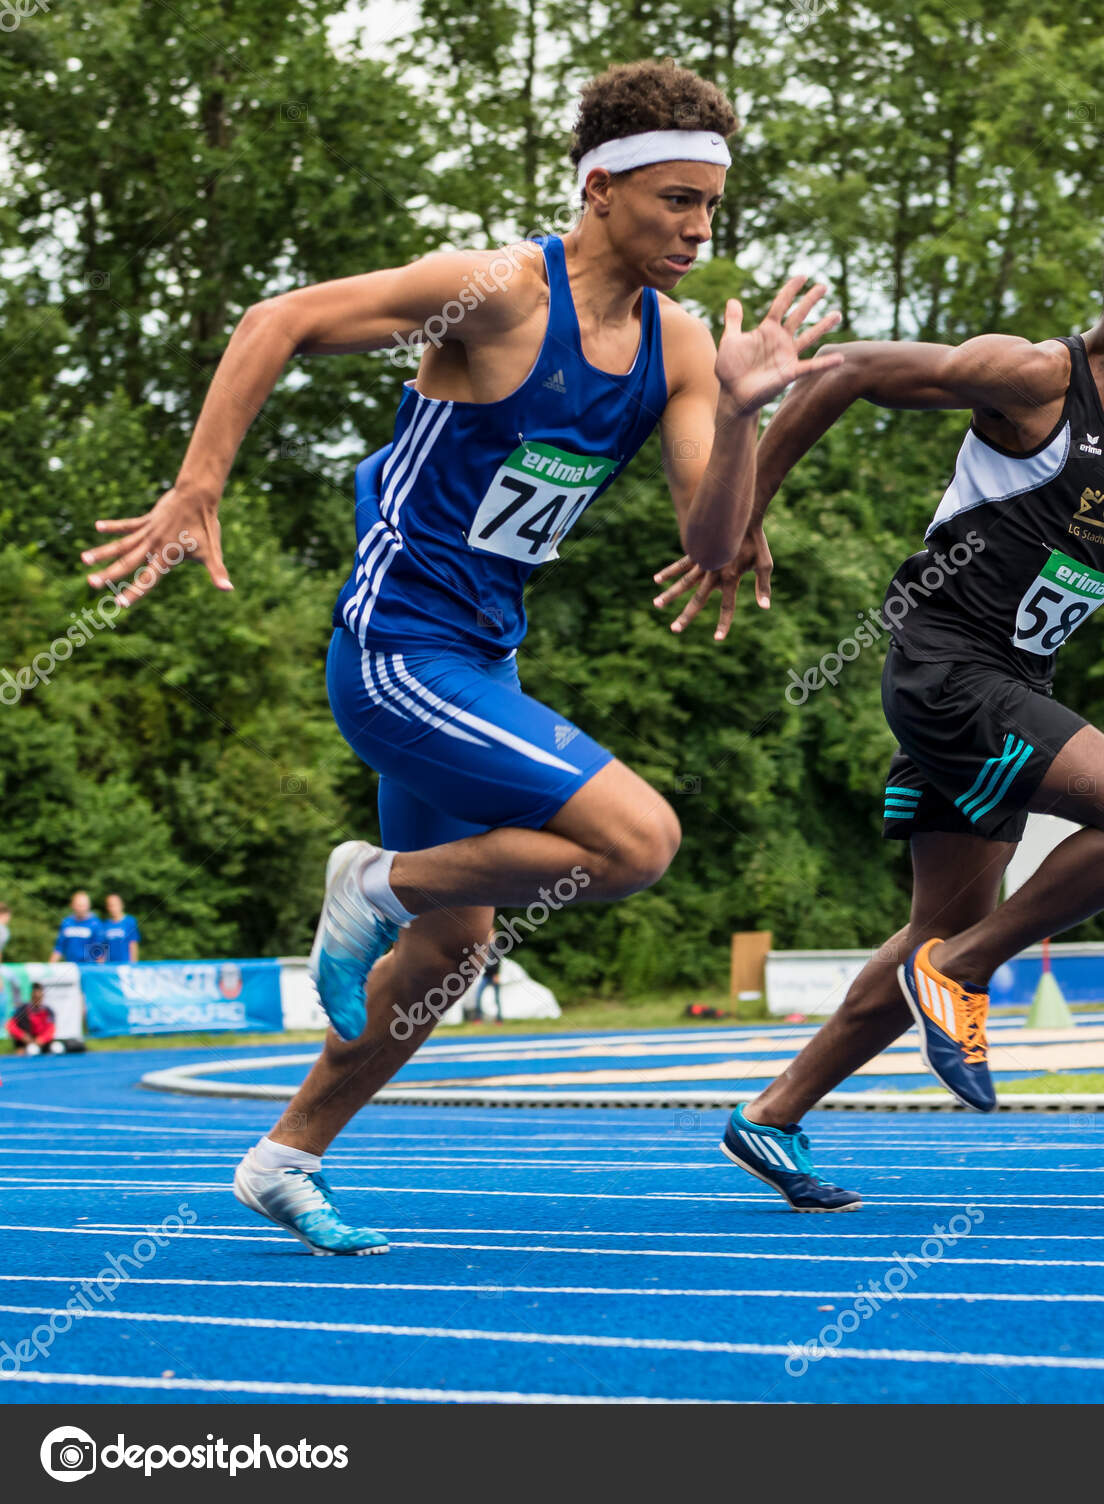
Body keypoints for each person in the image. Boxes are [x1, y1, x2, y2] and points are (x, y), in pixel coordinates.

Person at [79, 60, 839, 1254]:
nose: (698, 230)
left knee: (455, 947)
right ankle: (368, 882)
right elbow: (276, 321)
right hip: (393, 648)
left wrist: (745, 416)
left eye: (711, 207)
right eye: (674, 202)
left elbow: (710, 538)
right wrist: (197, 485)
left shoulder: (681, 348)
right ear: (599, 189)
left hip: (480, 661)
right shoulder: (490, 295)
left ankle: (285, 1158)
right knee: (637, 841)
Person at [662, 203, 1104, 1207]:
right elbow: (846, 371)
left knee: (933, 934)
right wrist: (746, 506)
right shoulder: (1035, 380)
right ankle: (969, 973)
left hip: (1016, 685)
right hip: (945, 665)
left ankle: (772, 1114)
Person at [48, 892, 102, 966]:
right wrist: (50, 967)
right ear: (72, 905)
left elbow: (99, 952)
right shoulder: (66, 922)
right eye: (78, 905)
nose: (81, 908)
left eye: (83, 905)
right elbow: (59, 948)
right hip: (70, 967)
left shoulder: (96, 924)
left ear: (88, 906)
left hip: (89, 968)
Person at [8, 983, 60, 1055]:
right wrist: (23, 1036)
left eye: (39, 997)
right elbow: (10, 1025)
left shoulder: (48, 1011)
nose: (37, 999)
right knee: (30, 1050)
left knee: (57, 1048)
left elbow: (51, 1029)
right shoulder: (22, 1010)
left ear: (42, 996)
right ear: (31, 996)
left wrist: (42, 1039)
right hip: (25, 1044)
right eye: (35, 997)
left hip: (43, 1043)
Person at [100, 893, 142, 965]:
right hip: (109, 965)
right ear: (107, 908)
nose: (113, 908)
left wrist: (134, 964)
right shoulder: (105, 924)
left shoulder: (129, 921)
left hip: (125, 964)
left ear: (122, 905)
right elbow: (103, 946)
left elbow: (133, 944)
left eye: (115, 905)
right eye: (110, 906)